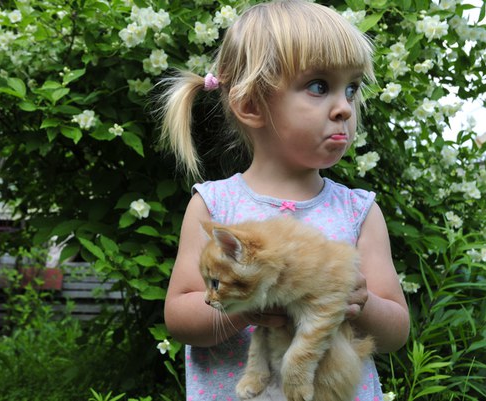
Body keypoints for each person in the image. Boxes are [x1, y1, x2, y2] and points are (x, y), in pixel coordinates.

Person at [158, 1, 410, 400]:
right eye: (319, 86)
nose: (344, 108)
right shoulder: (214, 206)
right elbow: (180, 317)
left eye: (352, 88)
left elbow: (396, 331)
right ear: (251, 105)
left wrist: (362, 302)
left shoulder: (357, 212)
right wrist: (246, 307)